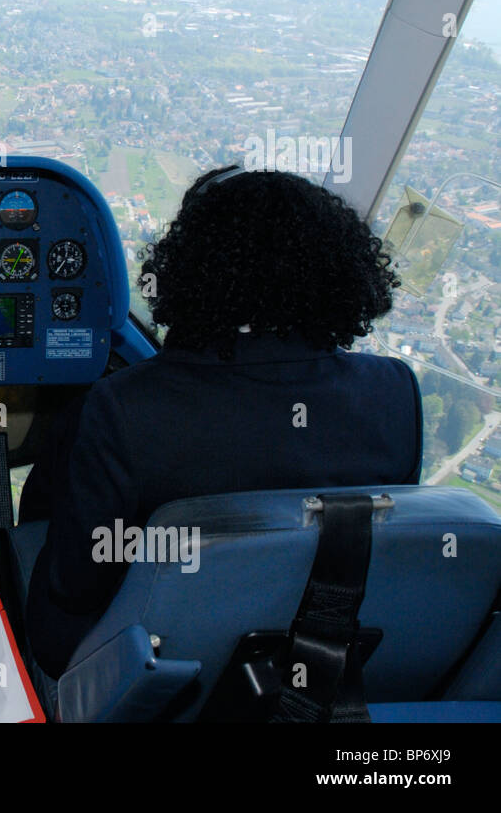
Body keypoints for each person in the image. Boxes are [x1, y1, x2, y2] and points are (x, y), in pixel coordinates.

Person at [22, 165, 423, 678]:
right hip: (322, 664)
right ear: (339, 269)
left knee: (31, 541)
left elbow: (75, 586)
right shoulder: (394, 392)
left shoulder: (126, 408)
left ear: (191, 268)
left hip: (157, 679)